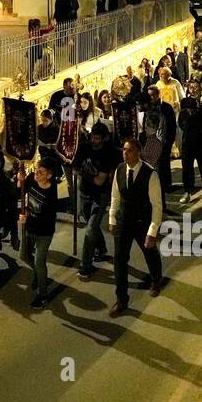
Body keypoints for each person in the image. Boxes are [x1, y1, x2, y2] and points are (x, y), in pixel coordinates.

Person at [107, 138, 165, 316]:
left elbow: (157, 205)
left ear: (138, 152)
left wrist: (152, 231)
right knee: (119, 261)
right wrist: (112, 218)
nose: (125, 153)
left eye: (130, 150)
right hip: (124, 221)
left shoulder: (150, 174)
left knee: (149, 252)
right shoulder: (120, 170)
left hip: (142, 222)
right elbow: (115, 195)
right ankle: (121, 299)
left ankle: (156, 279)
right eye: (124, 150)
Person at [73, 126, 119, 279]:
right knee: (91, 225)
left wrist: (82, 173)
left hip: (100, 195)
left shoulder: (108, 152)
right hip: (84, 192)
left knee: (90, 229)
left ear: (104, 138)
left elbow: (100, 181)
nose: (94, 140)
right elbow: (75, 167)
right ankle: (101, 248)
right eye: (92, 136)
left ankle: (85, 265)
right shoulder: (84, 147)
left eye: (97, 138)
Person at [17, 155, 61, 308]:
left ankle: (42, 294)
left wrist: (26, 218)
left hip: (44, 232)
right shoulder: (32, 179)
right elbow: (20, 190)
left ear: (49, 175)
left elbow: (46, 218)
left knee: (39, 261)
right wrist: (20, 180)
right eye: (36, 170)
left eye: (40, 172)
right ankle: (39, 274)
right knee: (23, 255)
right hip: (29, 228)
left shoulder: (51, 195)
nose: (36, 174)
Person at [178, 96, 202, 203]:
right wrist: (190, 117)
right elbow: (182, 126)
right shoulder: (183, 114)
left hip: (201, 145)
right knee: (186, 169)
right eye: (189, 108)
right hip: (187, 144)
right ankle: (187, 191)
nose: (191, 110)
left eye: (192, 108)